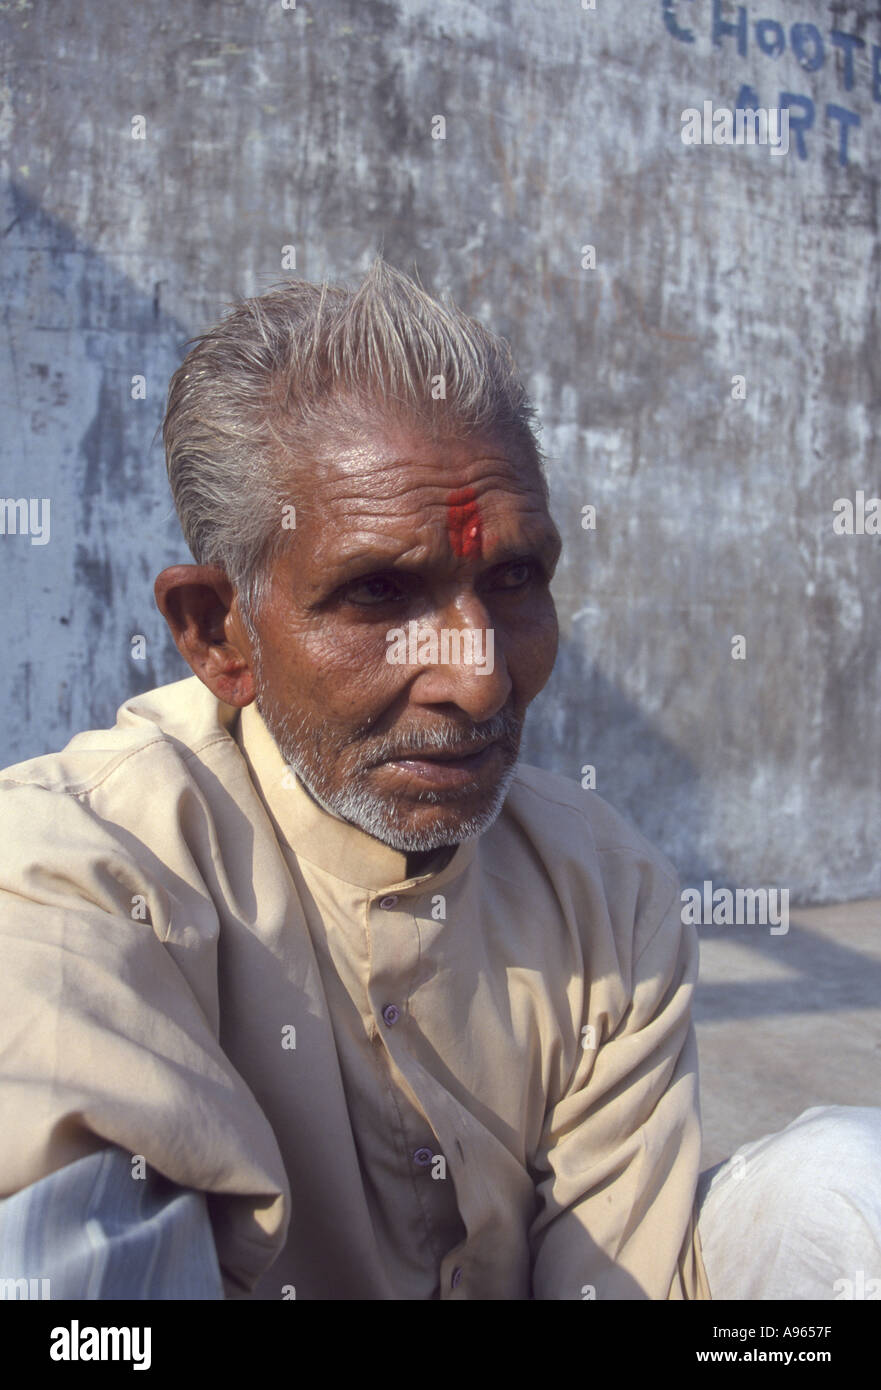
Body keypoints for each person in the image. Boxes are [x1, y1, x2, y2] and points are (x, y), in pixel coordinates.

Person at [0, 260, 876, 1301]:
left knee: (840, 1190)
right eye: (376, 591)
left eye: (511, 578)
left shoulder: (601, 889)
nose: (479, 675)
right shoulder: (77, 869)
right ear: (218, 633)